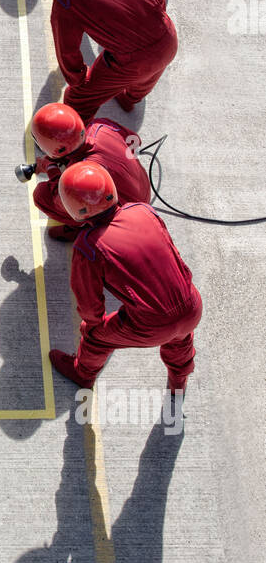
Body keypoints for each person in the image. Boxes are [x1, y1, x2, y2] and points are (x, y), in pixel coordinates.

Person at [48, 161, 202, 397]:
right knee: (180, 339)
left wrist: (93, 326)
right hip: (192, 306)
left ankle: (83, 374)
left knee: (96, 337)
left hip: (152, 324)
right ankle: (178, 384)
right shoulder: (143, 210)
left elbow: (90, 305)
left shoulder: (88, 246)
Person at [48, 0, 178, 123]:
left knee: (78, 100)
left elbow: (67, 50)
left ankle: (69, 151)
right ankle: (129, 99)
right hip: (168, 38)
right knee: (145, 78)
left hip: (133, 61)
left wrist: (79, 80)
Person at [28, 101, 150, 240]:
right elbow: (135, 141)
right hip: (143, 191)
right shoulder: (101, 126)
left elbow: (62, 201)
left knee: (42, 196)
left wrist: (50, 168)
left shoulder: (82, 174)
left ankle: (82, 227)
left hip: (127, 216)